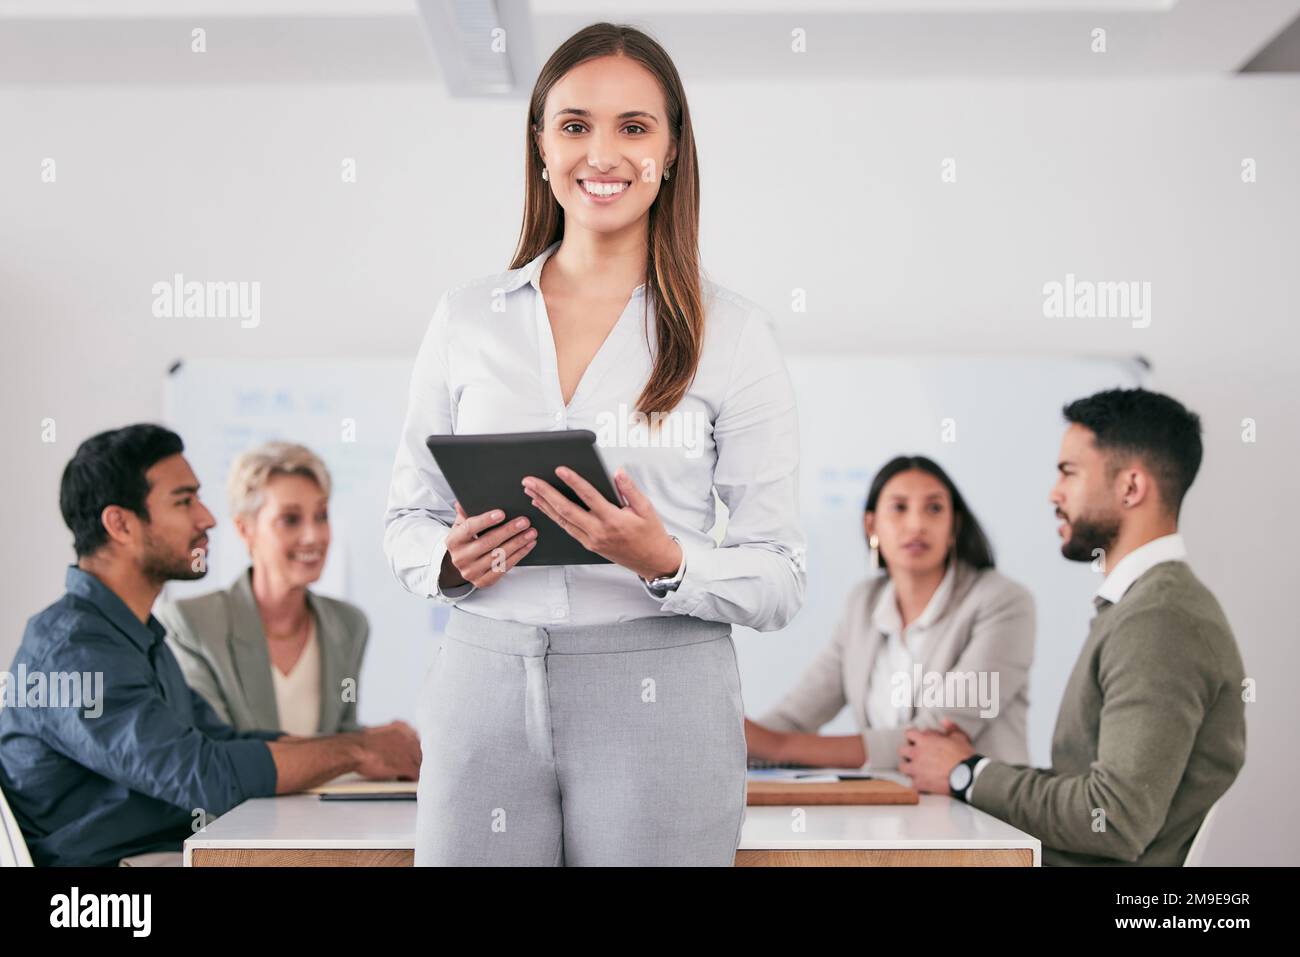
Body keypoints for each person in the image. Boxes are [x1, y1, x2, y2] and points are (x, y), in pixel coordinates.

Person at [384, 22, 805, 866]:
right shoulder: (467, 319)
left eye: (633, 127)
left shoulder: (734, 334)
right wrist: (447, 560)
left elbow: (781, 576)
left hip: (662, 690)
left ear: (673, 151)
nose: (601, 153)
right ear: (539, 146)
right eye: (574, 125)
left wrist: (667, 561)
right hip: (481, 679)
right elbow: (406, 517)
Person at [0, 425, 420, 867]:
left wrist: (364, 744)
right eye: (184, 501)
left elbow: (222, 740)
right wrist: (358, 750)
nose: (207, 518)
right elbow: (207, 776)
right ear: (120, 524)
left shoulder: (133, 637)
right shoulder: (72, 652)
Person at [901, 388, 1247, 866]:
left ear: (1130, 487)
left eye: (1069, 472)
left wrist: (967, 773)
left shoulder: (1159, 621)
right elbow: (1087, 786)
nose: (1053, 493)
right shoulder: (1143, 607)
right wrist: (974, 771)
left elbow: (1112, 816)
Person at [747, 456, 1034, 770]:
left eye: (935, 508)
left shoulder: (1003, 602)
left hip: (980, 813)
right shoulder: (863, 603)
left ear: (954, 526)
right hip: (891, 809)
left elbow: (933, 737)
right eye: (899, 508)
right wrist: (733, 740)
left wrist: (777, 746)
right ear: (872, 525)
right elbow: (795, 718)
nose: (916, 524)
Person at [158, 442, 380, 737]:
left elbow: (344, 732)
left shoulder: (349, 625)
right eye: (290, 519)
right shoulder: (191, 624)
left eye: (321, 516)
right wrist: (362, 750)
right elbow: (215, 749)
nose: (313, 536)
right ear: (244, 530)